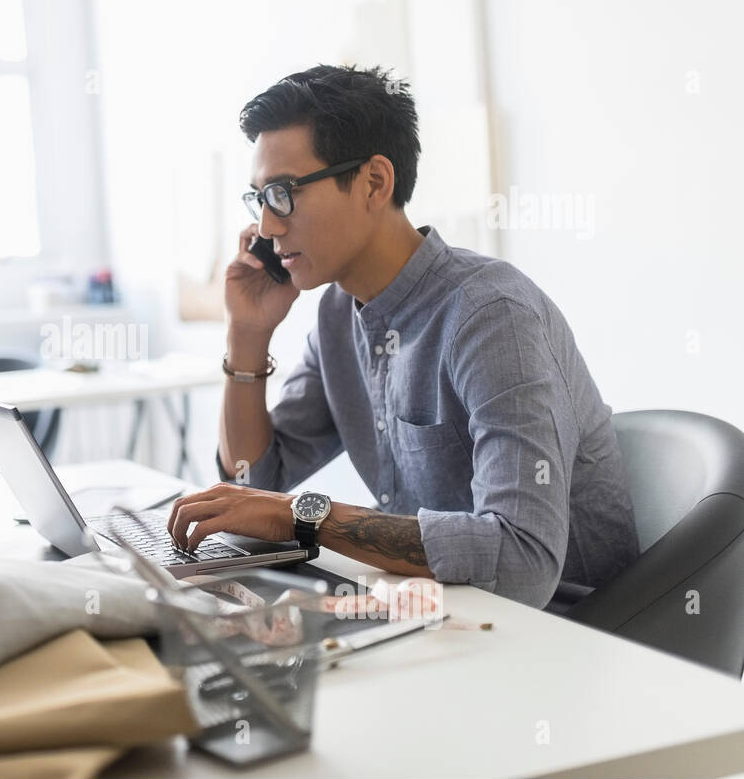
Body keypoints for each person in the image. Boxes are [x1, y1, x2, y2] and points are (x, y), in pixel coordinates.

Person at [166, 64, 639, 610]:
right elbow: (256, 478)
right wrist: (247, 333)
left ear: (374, 182)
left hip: (565, 631)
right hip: (443, 611)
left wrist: (305, 516)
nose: (269, 228)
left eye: (283, 193)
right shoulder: (339, 315)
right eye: (260, 200)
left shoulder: (490, 315)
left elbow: (522, 560)